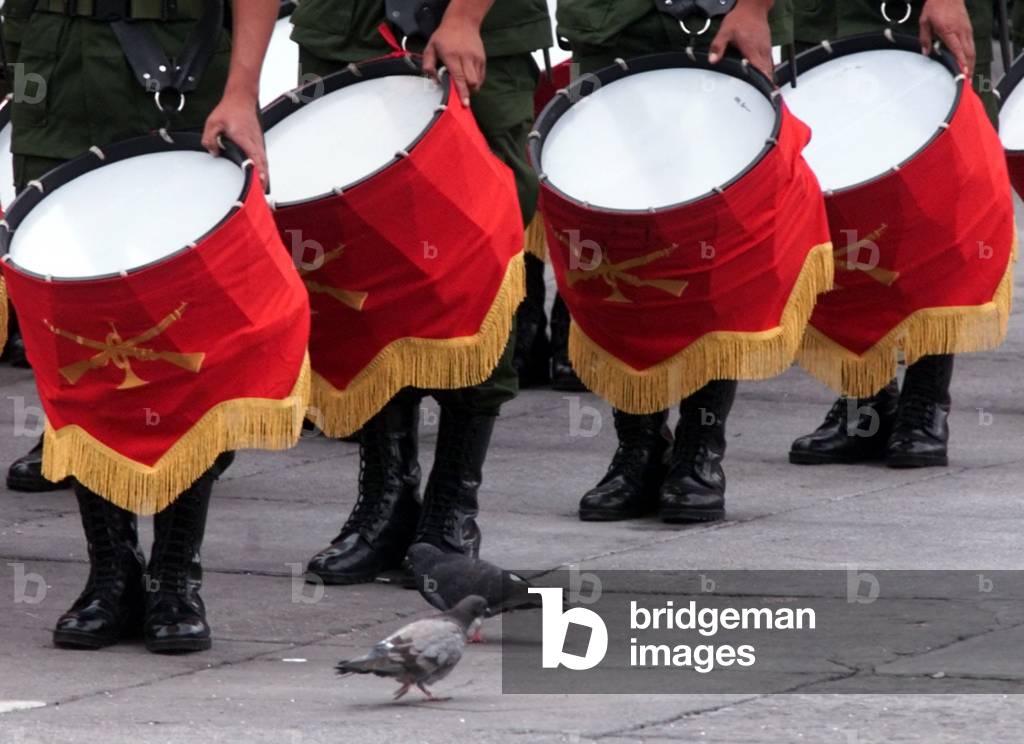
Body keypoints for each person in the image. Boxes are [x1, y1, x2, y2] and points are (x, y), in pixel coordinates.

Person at [3, 0, 277, 652]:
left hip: (177, 58)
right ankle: (112, 571)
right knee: (74, 320)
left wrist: (242, 90)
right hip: (54, 63)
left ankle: (177, 574)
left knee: (185, 329)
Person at [291, 0, 552, 584]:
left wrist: (463, 16)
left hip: (474, 33)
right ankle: (384, 503)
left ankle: (452, 509)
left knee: (474, 257)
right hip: (349, 31)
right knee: (365, 262)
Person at [557, 0, 793, 523]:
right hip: (611, 25)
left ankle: (700, 448)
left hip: (722, 20)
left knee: (716, 235)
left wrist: (754, 7)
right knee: (615, 232)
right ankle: (639, 447)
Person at [788, 0, 992, 469]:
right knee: (838, 200)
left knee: (936, 213)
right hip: (823, 17)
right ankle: (866, 399)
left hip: (913, 13)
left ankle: (925, 403)